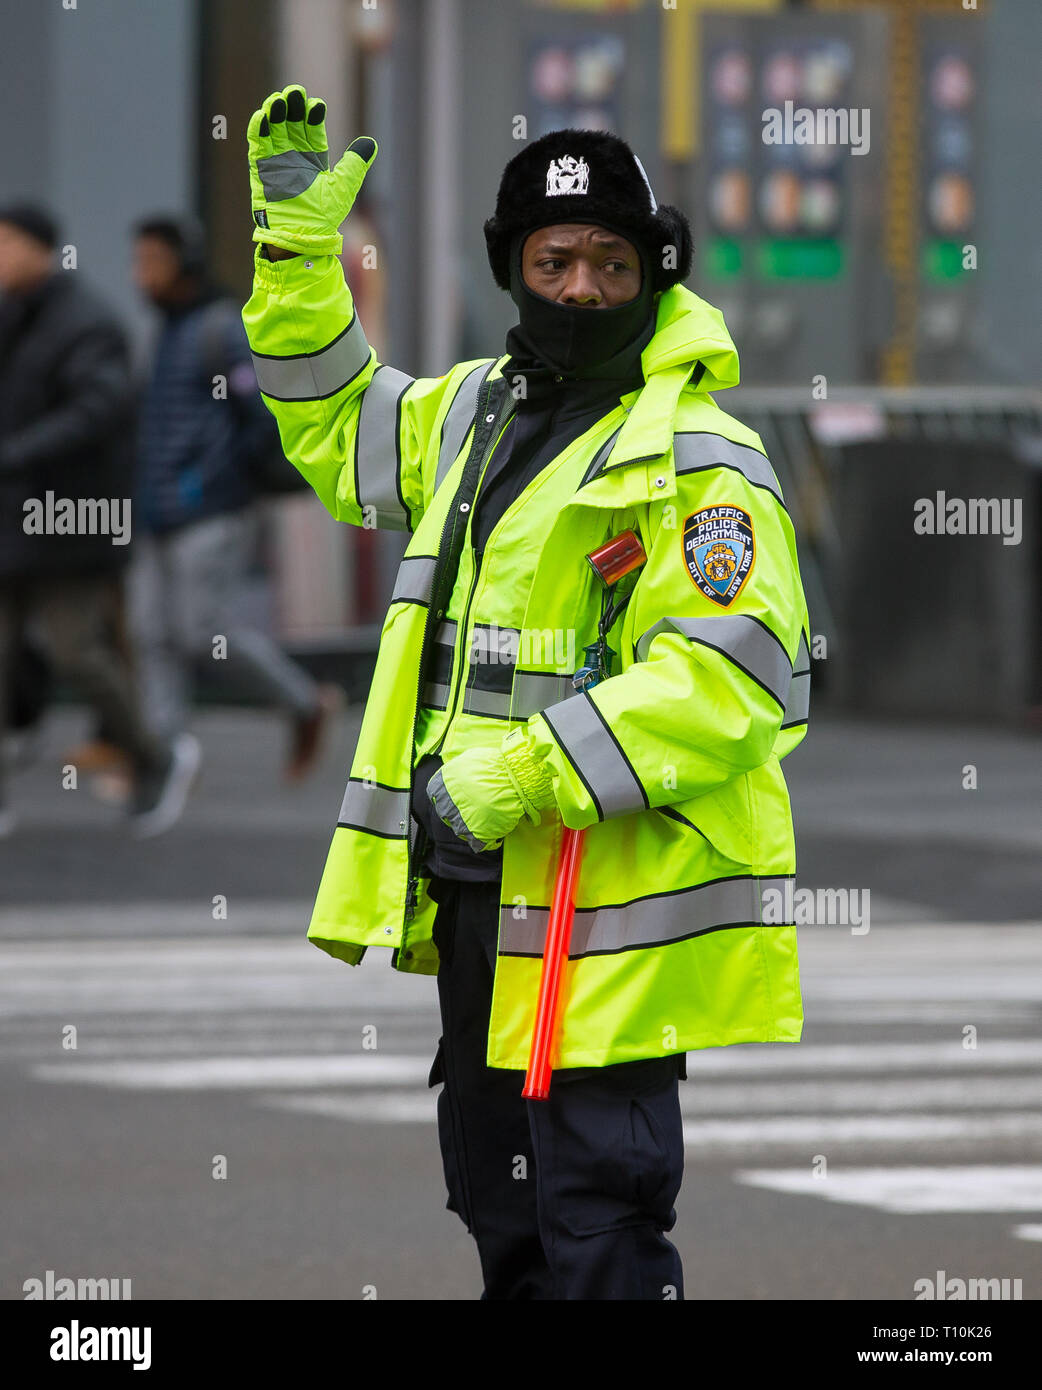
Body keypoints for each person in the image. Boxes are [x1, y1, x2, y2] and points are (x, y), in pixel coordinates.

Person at [242, 86, 811, 1300]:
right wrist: (296, 248)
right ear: (514, 269)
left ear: (653, 274)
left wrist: (519, 774)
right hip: (471, 885)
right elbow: (333, 421)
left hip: (602, 901)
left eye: (611, 261)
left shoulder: (700, 460)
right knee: (502, 1213)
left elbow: (730, 678)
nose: (582, 288)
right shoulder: (469, 414)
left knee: (593, 1227)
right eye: (553, 259)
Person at [0, 203, 199, 838]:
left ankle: (155, 755)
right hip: (13, 518)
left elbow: (96, 411)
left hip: (69, 522)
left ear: (40, 249)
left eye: (6, 242)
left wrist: (14, 455)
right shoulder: (14, 315)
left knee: (76, 652)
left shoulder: (87, 323)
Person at [128, 215, 341, 781]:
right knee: (150, 634)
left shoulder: (219, 330)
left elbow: (262, 417)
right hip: (155, 510)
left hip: (209, 509)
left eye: (152, 260)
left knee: (202, 635)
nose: (140, 274)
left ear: (184, 263)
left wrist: (216, 482)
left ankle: (303, 701)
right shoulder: (160, 332)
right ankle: (163, 755)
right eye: (137, 261)